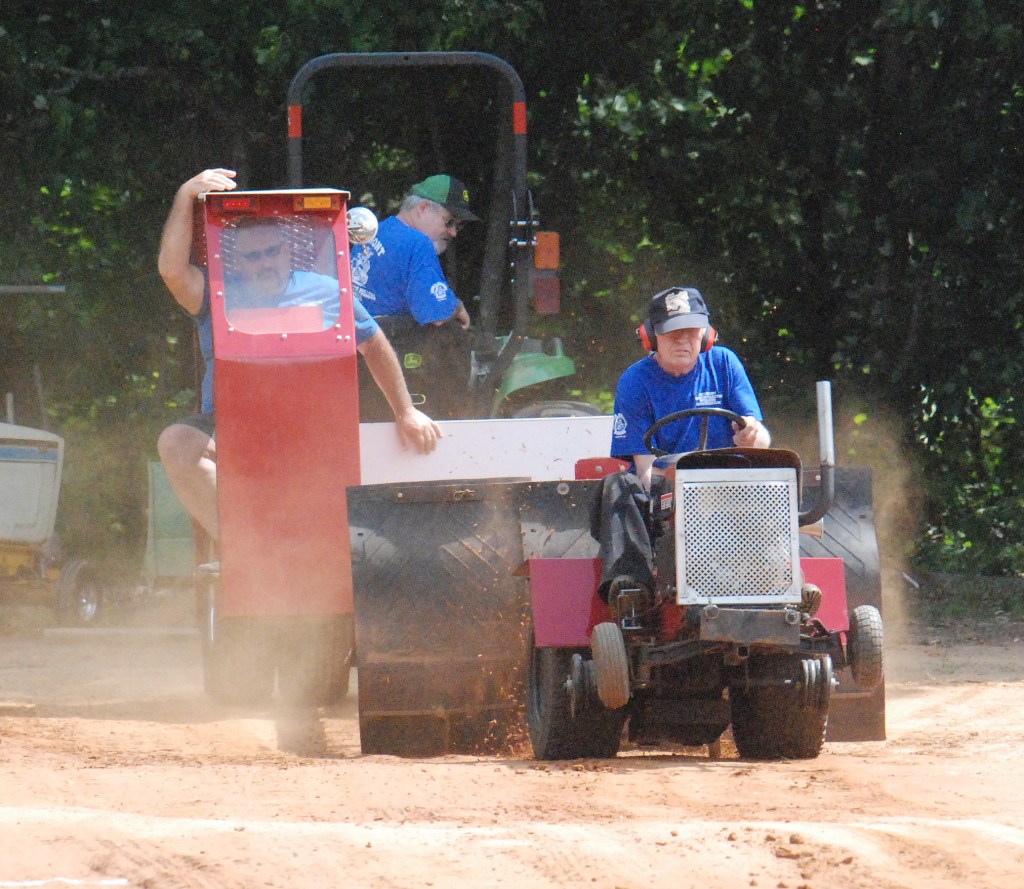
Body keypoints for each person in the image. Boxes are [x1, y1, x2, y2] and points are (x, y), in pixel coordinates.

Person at [156, 168, 442, 541]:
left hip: (310, 429)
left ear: (288, 251)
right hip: (231, 429)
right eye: (253, 256)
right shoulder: (215, 293)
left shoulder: (327, 292)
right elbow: (171, 270)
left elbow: (373, 344)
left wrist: (406, 412)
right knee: (176, 444)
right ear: (238, 262)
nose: (265, 262)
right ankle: (243, 548)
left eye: (272, 251)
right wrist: (184, 195)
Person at [591, 286, 771, 614]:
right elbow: (643, 469)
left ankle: (781, 575)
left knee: (772, 481)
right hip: (664, 491)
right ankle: (633, 584)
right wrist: (679, 485)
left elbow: (759, 437)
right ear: (650, 338)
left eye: (690, 332)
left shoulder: (724, 364)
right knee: (618, 485)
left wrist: (752, 436)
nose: (683, 341)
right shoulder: (635, 380)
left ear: (705, 335)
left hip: (728, 486)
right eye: (673, 334)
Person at [350, 174, 476, 330]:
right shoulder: (418, 243)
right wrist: (458, 307)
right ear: (423, 208)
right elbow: (436, 313)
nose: (453, 233)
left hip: (355, 338)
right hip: (389, 345)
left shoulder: (377, 231)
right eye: (449, 221)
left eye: (458, 226)